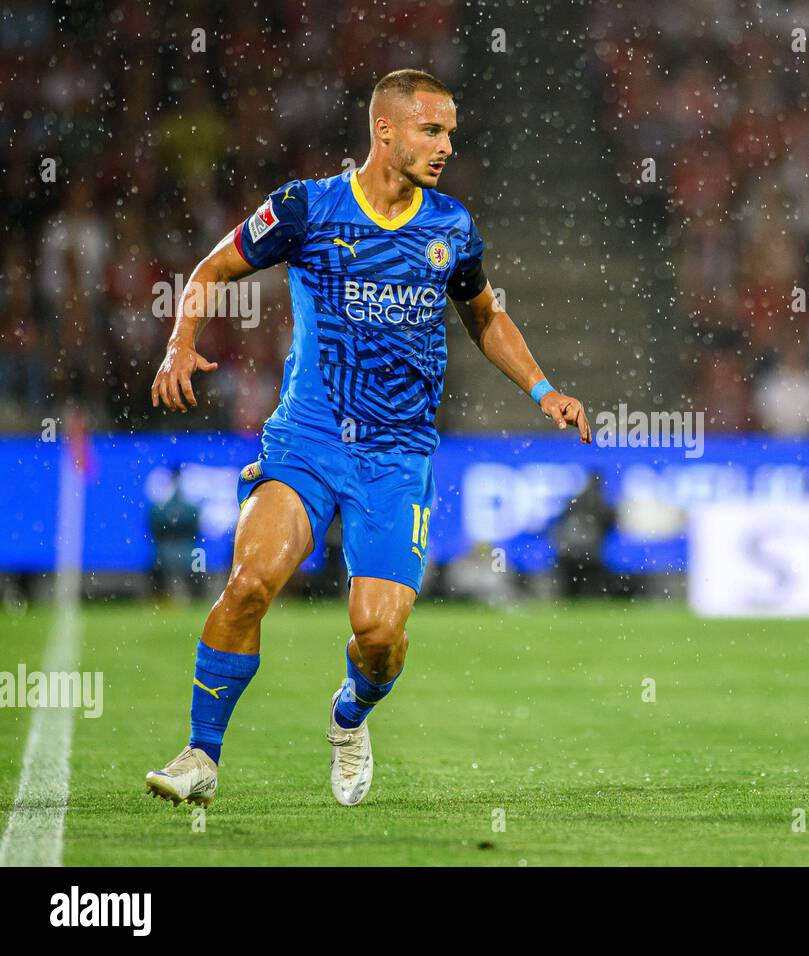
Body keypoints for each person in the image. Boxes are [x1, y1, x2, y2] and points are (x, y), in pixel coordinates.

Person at [145, 69, 591, 808]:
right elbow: (211, 267)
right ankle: (201, 752)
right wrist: (180, 340)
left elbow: (484, 315)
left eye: (450, 131)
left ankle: (349, 716)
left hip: (397, 454)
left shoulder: (451, 227)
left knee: (379, 635)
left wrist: (544, 390)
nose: (446, 144)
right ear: (385, 130)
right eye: (431, 129)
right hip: (308, 441)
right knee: (251, 580)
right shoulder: (306, 208)